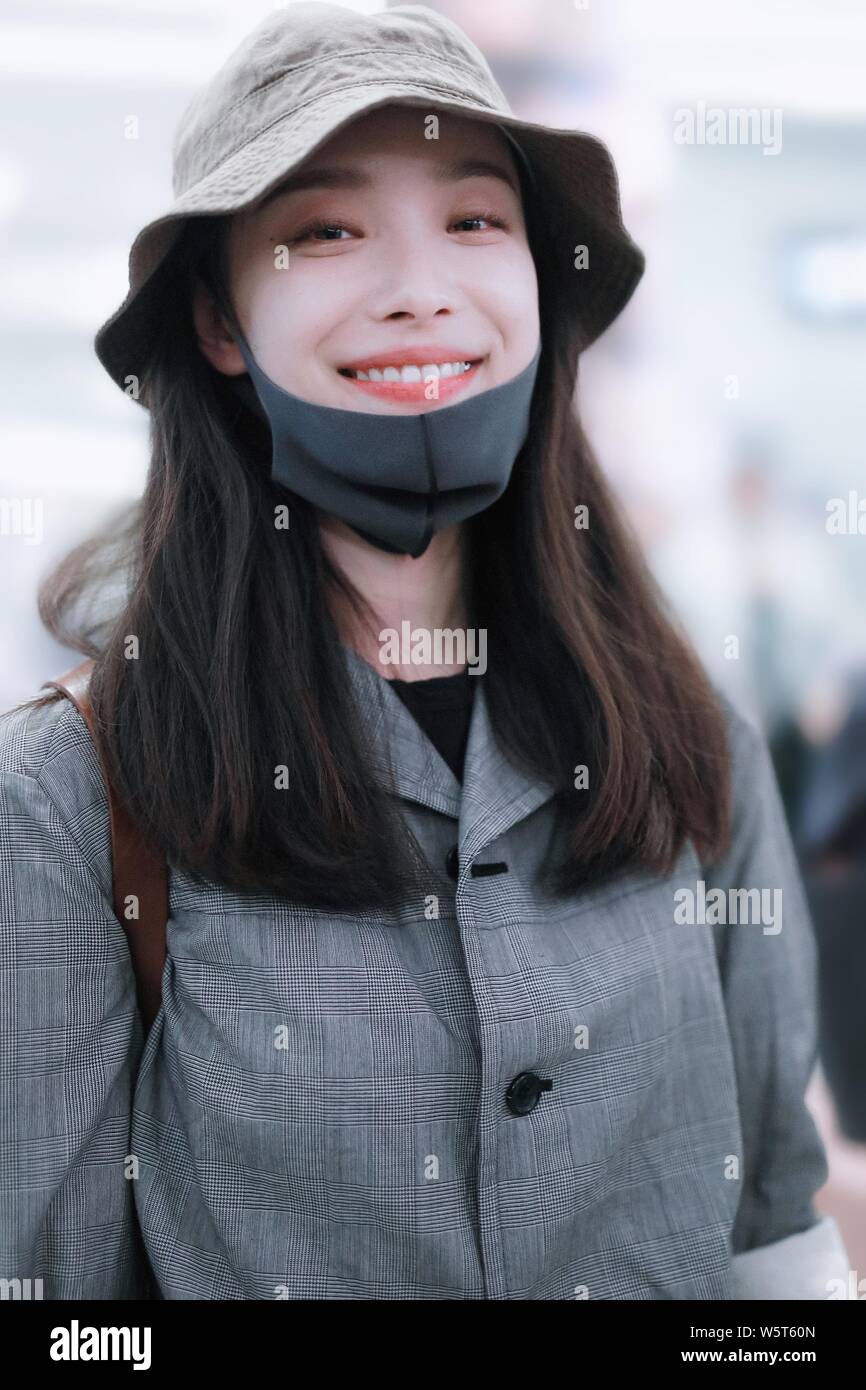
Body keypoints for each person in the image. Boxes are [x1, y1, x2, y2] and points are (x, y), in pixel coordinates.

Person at [0, 2, 851, 1300]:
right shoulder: (74, 800)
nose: (418, 286)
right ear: (222, 327)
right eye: (324, 231)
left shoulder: (686, 743)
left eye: (473, 220)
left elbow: (771, 1241)